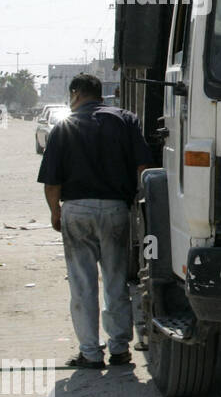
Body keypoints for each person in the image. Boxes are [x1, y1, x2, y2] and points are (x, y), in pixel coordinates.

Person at [38, 73, 154, 369]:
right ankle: (119, 350)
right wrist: (136, 203)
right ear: (99, 94)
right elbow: (143, 165)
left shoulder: (64, 126)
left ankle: (90, 353)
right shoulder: (126, 119)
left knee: (82, 284)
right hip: (116, 209)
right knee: (116, 280)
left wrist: (55, 212)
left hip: (77, 210)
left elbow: (52, 183)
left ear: (76, 93)